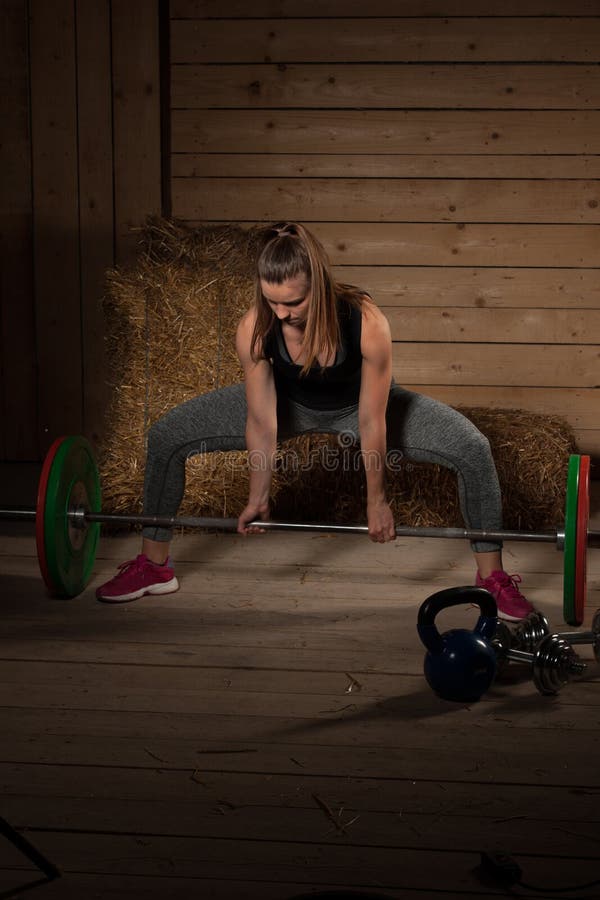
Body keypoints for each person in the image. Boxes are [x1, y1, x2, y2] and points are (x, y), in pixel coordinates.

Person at [96, 221, 535, 621]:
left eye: (294, 301)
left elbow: (371, 417)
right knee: (167, 435)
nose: (283, 313)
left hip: (360, 405)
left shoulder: (365, 321)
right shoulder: (255, 327)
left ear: (320, 285)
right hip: (289, 406)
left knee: (472, 448)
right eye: (272, 301)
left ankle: (491, 577)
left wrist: (377, 500)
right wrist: (258, 494)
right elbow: (263, 420)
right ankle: (154, 566)